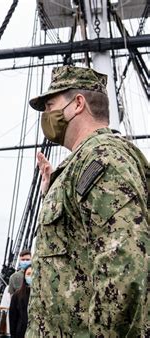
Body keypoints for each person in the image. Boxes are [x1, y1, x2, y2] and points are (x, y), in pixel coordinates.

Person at [27, 66, 149, 336]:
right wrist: (53, 192)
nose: (47, 115)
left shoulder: (103, 159)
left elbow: (124, 266)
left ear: (77, 104)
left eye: (50, 105)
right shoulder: (83, 165)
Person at [9, 266, 32, 338]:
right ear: (24, 276)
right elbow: (13, 318)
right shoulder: (17, 295)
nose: (31, 276)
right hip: (21, 333)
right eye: (28, 274)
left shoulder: (44, 295)